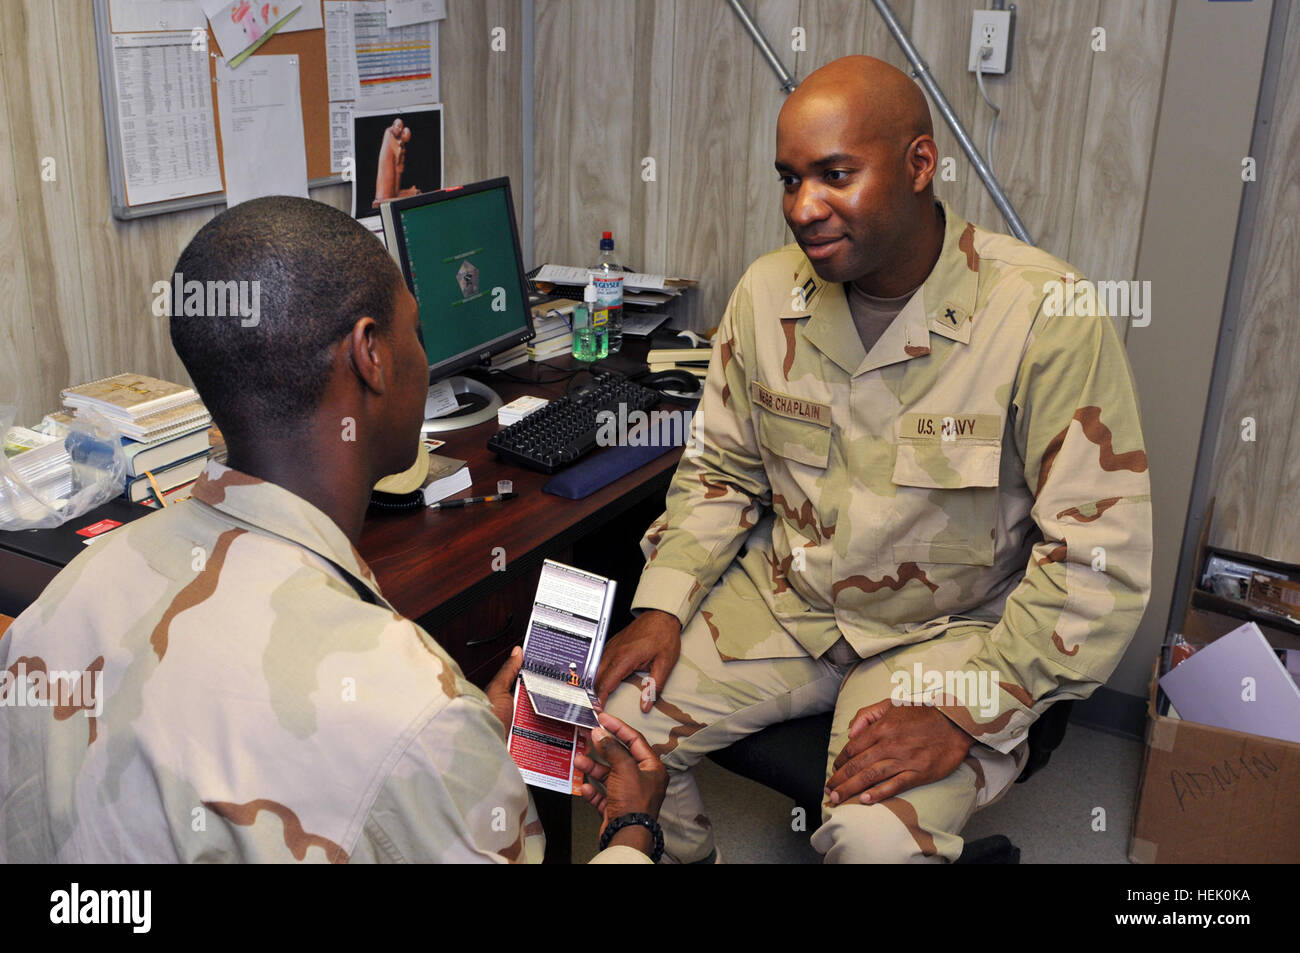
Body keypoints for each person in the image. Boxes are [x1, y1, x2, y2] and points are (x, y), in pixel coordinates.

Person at [597, 55, 1153, 863]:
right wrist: (661, 603)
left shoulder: (1044, 316)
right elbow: (721, 474)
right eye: (789, 179)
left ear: (920, 164)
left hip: (949, 632)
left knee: (871, 840)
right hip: (791, 603)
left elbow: (1097, 560)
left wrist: (968, 708)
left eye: (835, 175)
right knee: (613, 725)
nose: (804, 207)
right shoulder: (764, 298)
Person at [0, 196, 666, 863]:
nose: (423, 351)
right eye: (417, 329)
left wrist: (453, 763)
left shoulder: (60, 602)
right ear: (370, 353)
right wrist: (633, 828)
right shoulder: (410, 708)